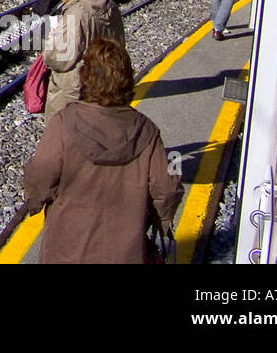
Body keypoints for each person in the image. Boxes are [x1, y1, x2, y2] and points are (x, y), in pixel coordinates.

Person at [23, 38, 183, 263]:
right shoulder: (147, 131)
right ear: (127, 80)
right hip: (125, 254)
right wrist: (161, 219)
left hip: (66, 251)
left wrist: (35, 201)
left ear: (85, 77)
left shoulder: (64, 123)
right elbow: (166, 189)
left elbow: (40, 175)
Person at [42, 0, 126, 119]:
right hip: (106, 84)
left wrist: (49, 48)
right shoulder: (107, 2)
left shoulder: (77, 13)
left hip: (75, 93)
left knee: (65, 138)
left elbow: (60, 58)